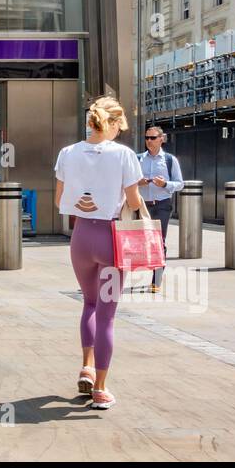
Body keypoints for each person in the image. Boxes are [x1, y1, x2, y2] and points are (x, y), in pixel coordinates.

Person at [53, 94, 146, 410]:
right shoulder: (123, 155)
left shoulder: (67, 153)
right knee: (107, 315)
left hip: (80, 238)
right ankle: (101, 389)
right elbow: (133, 202)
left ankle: (86, 367)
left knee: (89, 303)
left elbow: (59, 200)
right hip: (110, 239)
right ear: (115, 122)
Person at [139, 125, 184, 294]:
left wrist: (164, 184)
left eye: (152, 138)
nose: (149, 141)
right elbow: (128, 181)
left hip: (162, 205)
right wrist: (139, 182)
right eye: (147, 138)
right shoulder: (138, 159)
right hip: (142, 206)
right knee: (141, 241)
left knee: (159, 241)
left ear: (161, 139)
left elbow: (180, 183)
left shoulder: (170, 160)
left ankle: (156, 279)